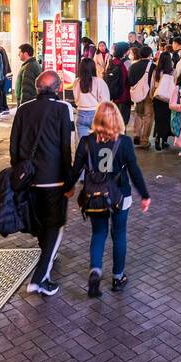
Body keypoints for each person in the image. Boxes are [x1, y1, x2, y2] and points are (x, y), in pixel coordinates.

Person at [66, 102, 150, 298]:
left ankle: (95, 270)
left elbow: (75, 169)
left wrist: (67, 187)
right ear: (117, 119)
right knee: (119, 234)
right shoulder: (125, 142)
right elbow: (134, 171)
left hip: (94, 196)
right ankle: (118, 277)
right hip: (120, 195)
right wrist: (144, 195)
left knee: (99, 233)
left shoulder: (86, 142)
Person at [9, 70, 74, 296]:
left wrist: (19, 171)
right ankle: (39, 278)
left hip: (28, 178)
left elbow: (14, 145)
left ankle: (47, 257)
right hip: (54, 179)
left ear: (37, 88)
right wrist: (70, 179)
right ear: (57, 88)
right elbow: (66, 147)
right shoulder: (62, 109)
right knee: (55, 225)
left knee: (40, 223)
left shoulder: (23, 109)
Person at [73, 57, 111, 142]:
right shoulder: (99, 81)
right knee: (97, 145)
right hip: (96, 114)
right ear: (93, 68)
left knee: (83, 145)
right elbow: (105, 101)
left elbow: (76, 98)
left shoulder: (76, 81)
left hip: (80, 115)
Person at [127, 45, 155, 147]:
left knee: (138, 114)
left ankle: (136, 135)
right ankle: (144, 140)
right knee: (148, 116)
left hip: (137, 94)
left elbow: (130, 80)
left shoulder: (133, 66)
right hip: (149, 95)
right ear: (150, 54)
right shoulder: (153, 66)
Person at [151, 50, 176, 151]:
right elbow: (175, 86)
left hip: (157, 98)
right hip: (168, 99)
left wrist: (152, 96)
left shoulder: (156, 71)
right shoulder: (173, 72)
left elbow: (152, 85)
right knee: (167, 120)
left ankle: (157, 138)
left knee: (158, 119)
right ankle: (164, 141)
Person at [105, 42, 132, 124]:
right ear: (125, 51)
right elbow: (130, 79)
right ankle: (121, 136)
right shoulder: (126, 63)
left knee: (115, 119)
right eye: (128, 49)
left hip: (114, 95)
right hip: (124, 95)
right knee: (123, 121)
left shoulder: (111, 61)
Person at [14, 44, 41, 108]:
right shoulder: (30, 64)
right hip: (30, 101)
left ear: (25, 53)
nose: (18, 54)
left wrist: (23, 105)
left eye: (20, 52)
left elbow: (26, 88)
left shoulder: (29, 66)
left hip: (28, 102)